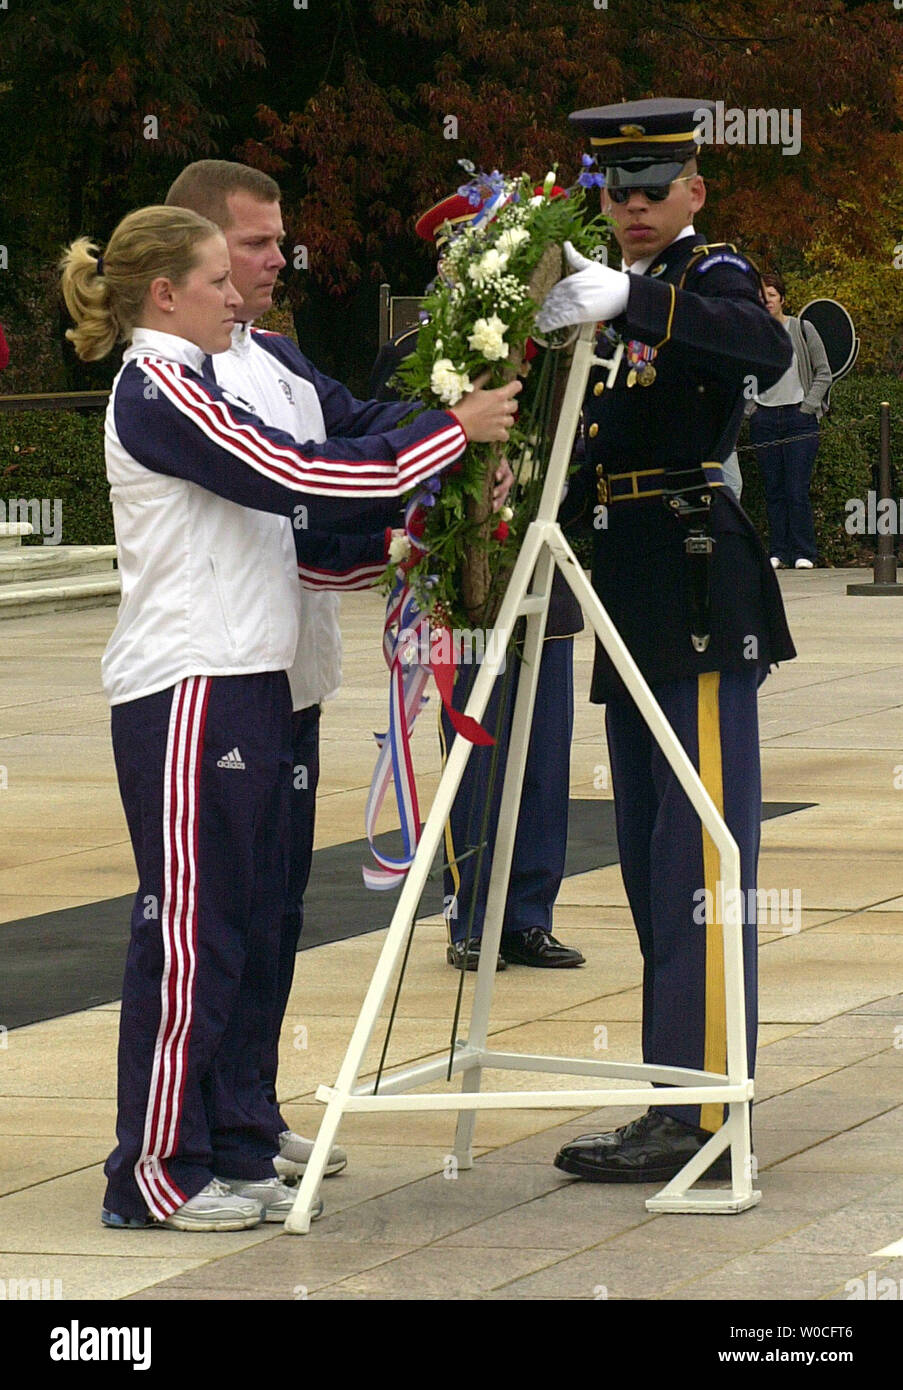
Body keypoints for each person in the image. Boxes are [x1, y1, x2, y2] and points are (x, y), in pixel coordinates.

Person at [60, 204, 519, 1231]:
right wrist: (450, 432)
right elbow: (292, 473)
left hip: (249, 676)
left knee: (238, 929)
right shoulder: (161, 383)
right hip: (189, 686)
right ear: (164, 293)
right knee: (187, 935)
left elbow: (293, 541)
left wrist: (412, 536)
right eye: (220, 280)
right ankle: (151, 1172)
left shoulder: (205, 376)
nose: (242, 294)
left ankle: (224, 1141)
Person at [536, 98, 796, 1182]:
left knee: (699, 860)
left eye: (653, 189)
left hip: (695, 588)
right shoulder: (600, 297)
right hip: (633, 592)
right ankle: (676, 1094)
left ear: (694, 189)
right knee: (653, 859)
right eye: (617, 191)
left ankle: (700, 1112)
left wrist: (636, 298)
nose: (633, 207)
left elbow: (759, 342)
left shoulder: (712, 278)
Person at [372, 190, 585, 971]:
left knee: (544, 751)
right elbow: (390, 460)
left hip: (539, 571)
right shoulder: (412, 359)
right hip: (459, 582)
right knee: (475, 750)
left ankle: (528, 911)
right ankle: (471, 913)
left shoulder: (550, 353)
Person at [749, 270, 831, 569]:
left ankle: (804, 552)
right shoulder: (753, 332)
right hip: (765, 418)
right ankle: (778, 551)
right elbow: (743, 373)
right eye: (761, 296)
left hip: (799, 417)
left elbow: (823, 371)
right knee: (773, 490)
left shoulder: (802, 329)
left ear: (782, 298)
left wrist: (808, 406)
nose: (766, 301)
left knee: (796, 489)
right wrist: (751, 408)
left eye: (771, 295)